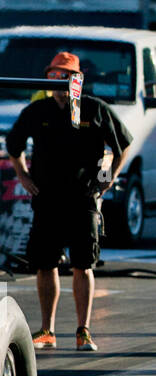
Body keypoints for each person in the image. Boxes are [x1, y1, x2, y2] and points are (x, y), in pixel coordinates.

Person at [7, 52, 131, 352]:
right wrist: (22, 175)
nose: (59, 81)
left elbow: (121, 144)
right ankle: (47, 330)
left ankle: (83, 330)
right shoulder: (37, 110)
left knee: (83, 264)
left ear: (77, 78)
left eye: (65, 75)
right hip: (47, 198)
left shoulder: (94, 108)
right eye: (54, 75)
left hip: (84, 198)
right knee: (45, 264)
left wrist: (109, 176)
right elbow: (14, 146)